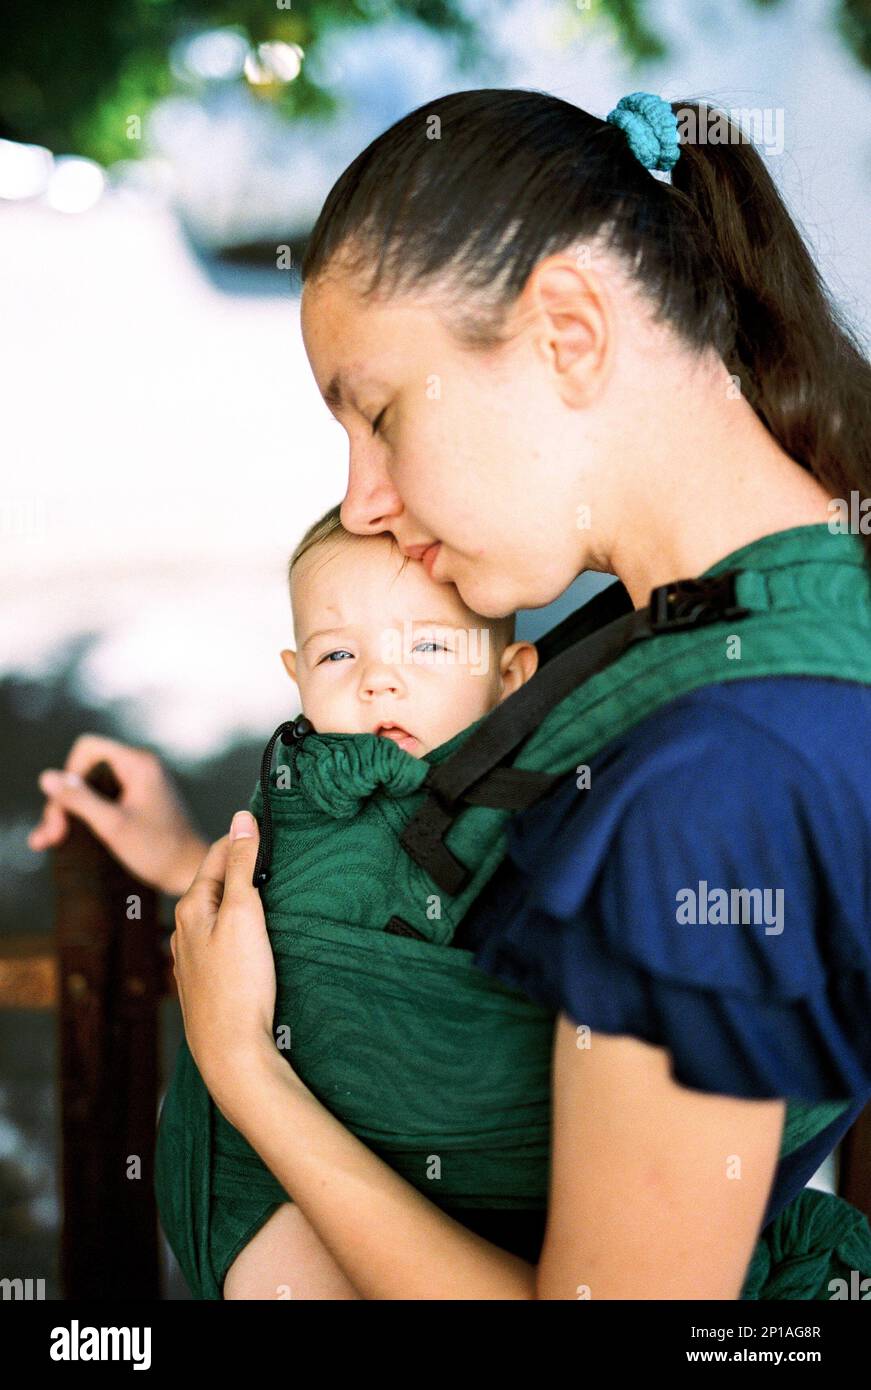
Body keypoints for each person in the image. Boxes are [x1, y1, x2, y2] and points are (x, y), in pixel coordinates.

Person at [30, 89, 871, 1299]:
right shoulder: (748, 622)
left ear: (569, 334)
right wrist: (192, 868)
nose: (362, 499)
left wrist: (244, 1073)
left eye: (377, 415)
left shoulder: (717, 778)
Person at [154, 499, 540, 1299]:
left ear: (510, 679)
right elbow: (290, 919)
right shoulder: (294, 794)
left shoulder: (534, 809)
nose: (379, 679)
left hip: (473, 1187)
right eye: (337, 657)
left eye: (430, 645)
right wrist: (172, 860)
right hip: (262, 1182)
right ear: (296, 678)